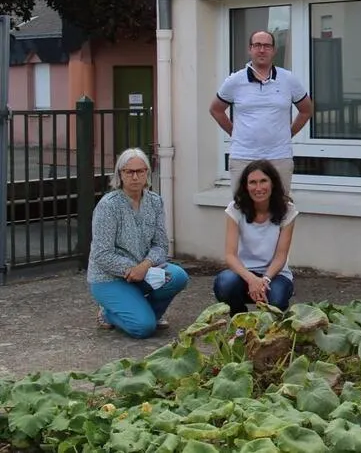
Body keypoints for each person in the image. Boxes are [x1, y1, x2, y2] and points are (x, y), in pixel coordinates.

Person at [88, 148, 189, 338]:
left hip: (144, 272)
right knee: (142, 328)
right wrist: (132, 269)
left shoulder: (155, 201)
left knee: (178, 276)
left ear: (147, 173)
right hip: (109, 277)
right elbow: (102, 254)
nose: (135, 177)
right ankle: (108, 313)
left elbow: (160, 244)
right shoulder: (108, 205)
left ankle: (148, 311)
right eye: (129, 172)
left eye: (140, 171)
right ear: (120, 174)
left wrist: (145, 266)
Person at [209, 30, 313, 192]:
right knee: (242, 210)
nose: (262, 50)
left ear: (274, 50)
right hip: (243, 157)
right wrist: (235, 133)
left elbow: (306, 110)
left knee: (280, 209)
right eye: (257, 45)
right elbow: (216, 109)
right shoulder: (235, 81)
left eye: (266, 46)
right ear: (250, 49)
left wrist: (288, 132)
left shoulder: (289, 79)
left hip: (279, 157)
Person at [213, 160, 298, 315]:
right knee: (224, 283)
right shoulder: (235, 209)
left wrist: (264, 280)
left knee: (277, 300)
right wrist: (251, 279)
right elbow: (230, 256)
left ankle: (270, 327)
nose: (258, 188)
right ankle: (239, 318)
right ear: (246, 186)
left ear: (273, 183)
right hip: (245, 273)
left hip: (275, 275)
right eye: (252, 182)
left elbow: (281, 256)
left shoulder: (288, 210)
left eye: (263, 181)